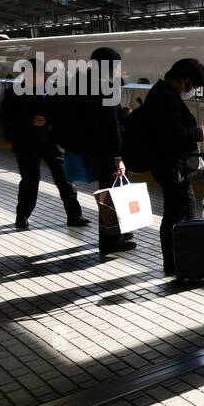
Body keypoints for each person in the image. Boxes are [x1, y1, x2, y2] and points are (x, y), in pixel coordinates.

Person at [137, 57, 204, 277]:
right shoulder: (166, 97)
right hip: (171, 166)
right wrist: (200, 133)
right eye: (194, 86)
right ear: (185, 80)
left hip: (168, 165)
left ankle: (179, 261)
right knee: (177, 213)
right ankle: (177, 263)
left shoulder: (162, 92)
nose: (193, 91)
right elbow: (173, 134)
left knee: (178, 211)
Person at [2, 63, 88, 230]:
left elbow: (65, 114)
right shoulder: (14, 93)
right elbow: (5, 117)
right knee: (30, 181)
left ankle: (74, 215)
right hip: (26, 144)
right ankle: (22, 217)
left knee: (65, 179)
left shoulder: (53, 90)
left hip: (52, 143)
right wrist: (29, 121)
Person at [73, 47, 137, 258]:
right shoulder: (104, 86)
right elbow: (109, 126)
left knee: (109, 194)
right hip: (108, 152)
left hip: (96, 149)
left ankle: (117, 235)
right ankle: (109, 242)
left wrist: (120, 113)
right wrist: (118, 157)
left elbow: (101, 118)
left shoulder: (85, 83)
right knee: (110, 196)